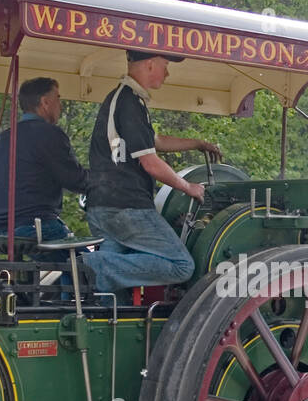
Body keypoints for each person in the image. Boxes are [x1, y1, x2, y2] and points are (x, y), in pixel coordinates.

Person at [81, 50, 220, 296]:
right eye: (165, 65)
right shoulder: (130, 102)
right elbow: (150, 163)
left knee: (108, 288)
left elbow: (157, 141)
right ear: (150, 64)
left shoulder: (121, 99)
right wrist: (189, 188)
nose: (167, 73)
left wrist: (198, 143)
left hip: (101, 205)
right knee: (182, 266)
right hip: (126, 206)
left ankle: (93, 306)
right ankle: (90, 264)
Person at [0, 77, 87, 241]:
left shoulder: (3, 138)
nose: (60, 105)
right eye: (58, 99)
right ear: (45, 102)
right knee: (90, 262)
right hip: (33, 226)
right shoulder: (49, 134)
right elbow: (75, 180)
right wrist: (110, 182)